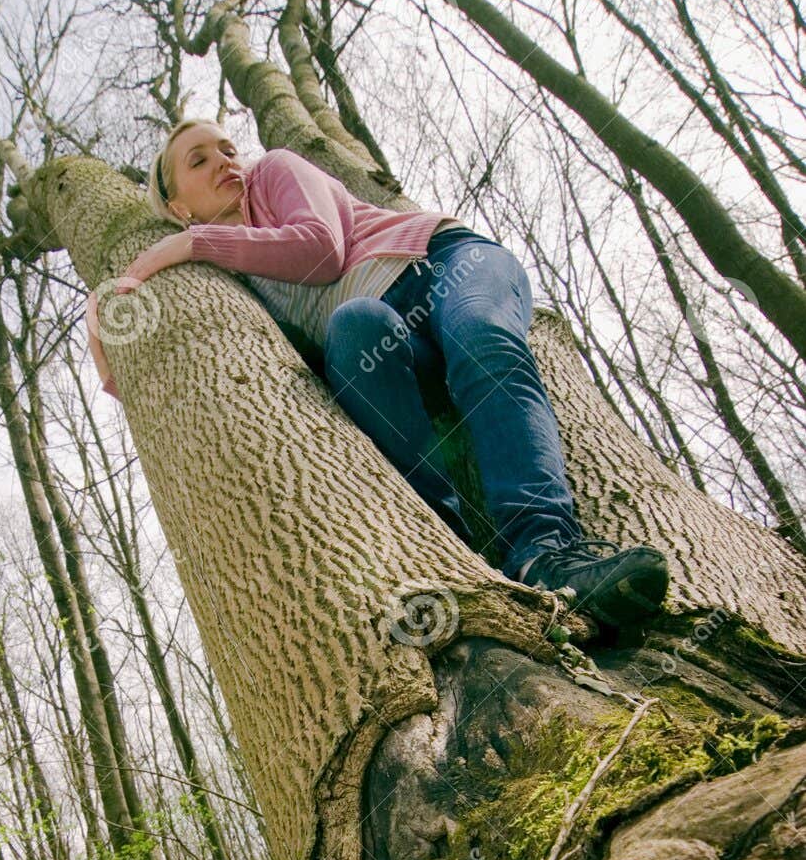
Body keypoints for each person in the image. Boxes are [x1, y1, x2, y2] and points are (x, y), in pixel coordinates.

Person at [85, 118, 670, 631]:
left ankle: (548, 552)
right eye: (200, 160)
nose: (225, 162)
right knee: (354, 326)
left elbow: (320, 250)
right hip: (390, 333)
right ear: (178, 203)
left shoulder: (273, 174)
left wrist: (192, 243)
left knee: (481, 338)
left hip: (440, 265)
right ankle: (459, 555)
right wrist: (104, 316)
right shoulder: (229, 283)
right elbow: (133, 370)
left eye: (227, 147)